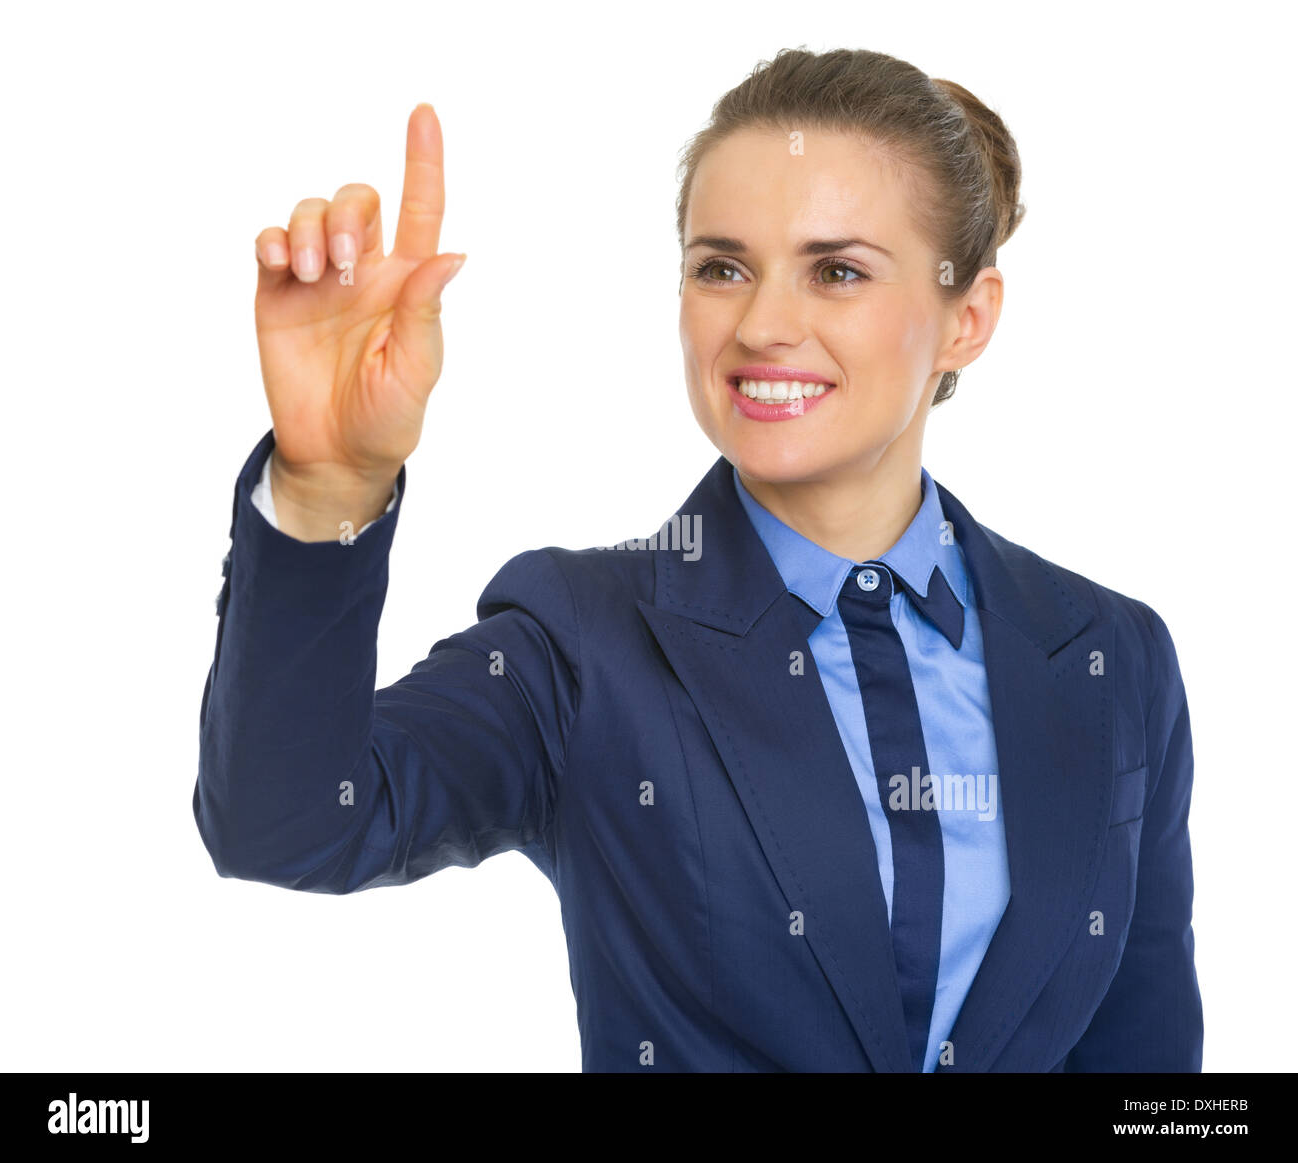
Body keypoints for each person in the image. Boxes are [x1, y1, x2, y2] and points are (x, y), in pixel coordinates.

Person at [195, 47, 1202, 1072]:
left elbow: (1147, 1063)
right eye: (721, 267)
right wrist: (326, 485)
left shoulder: (1106, 653)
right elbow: (288, 826)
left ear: (966, 318)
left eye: (837, 270)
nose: (761, 325)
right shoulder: (582, 639)